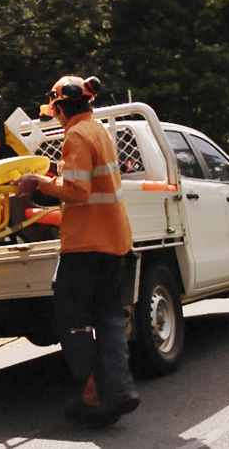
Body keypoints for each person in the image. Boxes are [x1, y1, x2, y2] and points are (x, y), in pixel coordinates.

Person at [14, 75, 139, 427]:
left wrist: (37, 182)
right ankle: (120, 390)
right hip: (114, 240)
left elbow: (78, 191)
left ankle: (92, 397)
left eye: (53, 109)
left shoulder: (76, 135)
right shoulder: (97, 131)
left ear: (59, 107)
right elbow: (85, 176)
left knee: (74, 321)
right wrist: (54, 171)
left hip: (86, 245)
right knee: (109, 318)